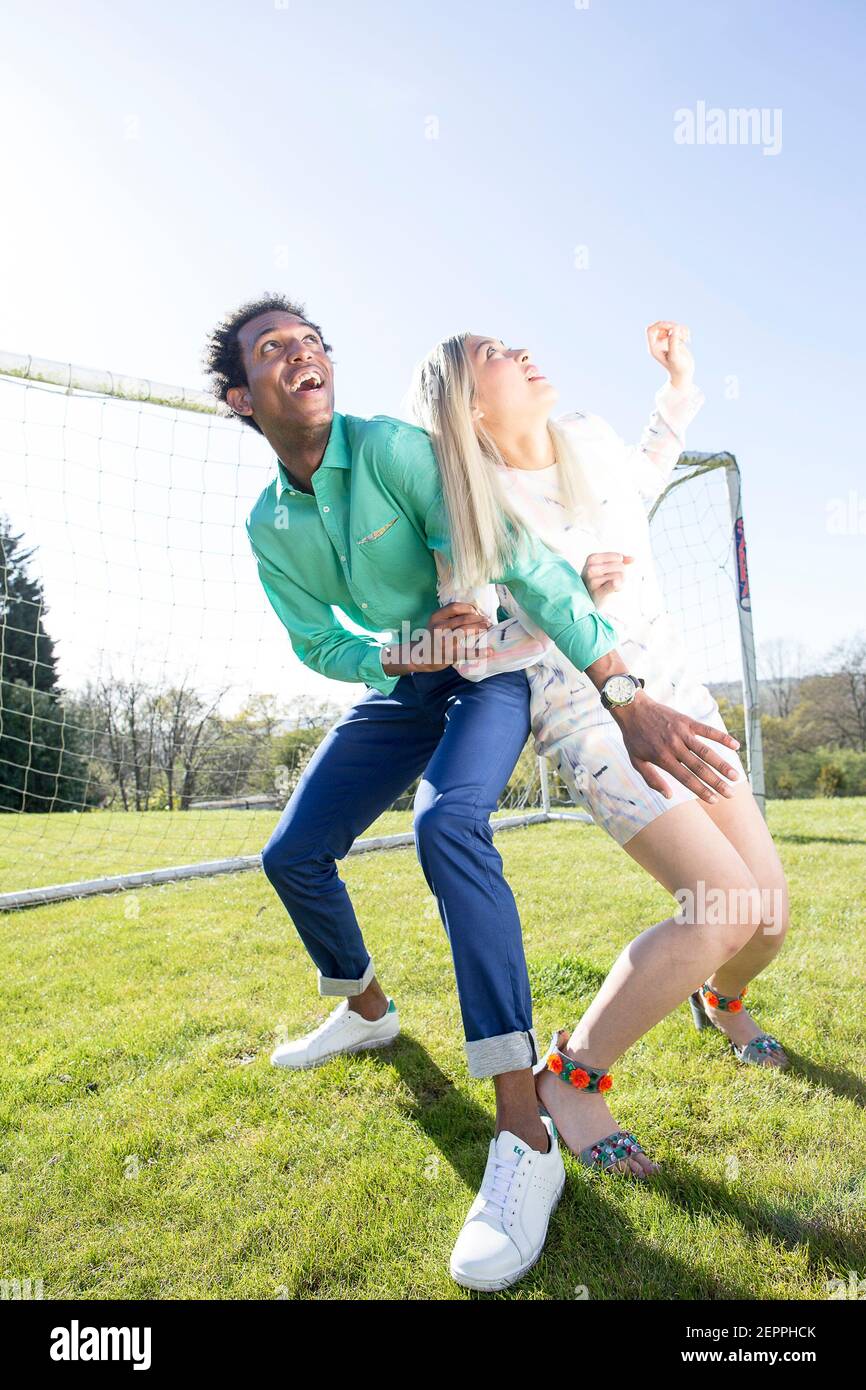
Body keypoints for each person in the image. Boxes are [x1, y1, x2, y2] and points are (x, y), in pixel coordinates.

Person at [203, 296, 740, 1292]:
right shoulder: (270, 523)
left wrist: (618, 689)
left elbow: (519, 562)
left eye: (311, 338)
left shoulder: (396, 451)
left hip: (491, 671)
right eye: (273, 350)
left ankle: (523, 1127)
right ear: (243, 397)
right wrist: (406, 647)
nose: (302, 353)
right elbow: (318, 641)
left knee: (447, 820)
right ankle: (365, 1008)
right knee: (290, 852)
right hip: (411, 676)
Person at [411, 319, 790, 1191]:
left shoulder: (585, 437)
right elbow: (475, 651)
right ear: (469, 405)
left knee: (766, 917)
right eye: (495, 357)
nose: (522, 351)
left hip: (678, 697)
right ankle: (571, 1077)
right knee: (721, 905)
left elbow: (638, 483)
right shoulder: (471, 511)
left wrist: (678, 389)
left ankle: (719, 999)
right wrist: (565, 602)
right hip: (590, 716)